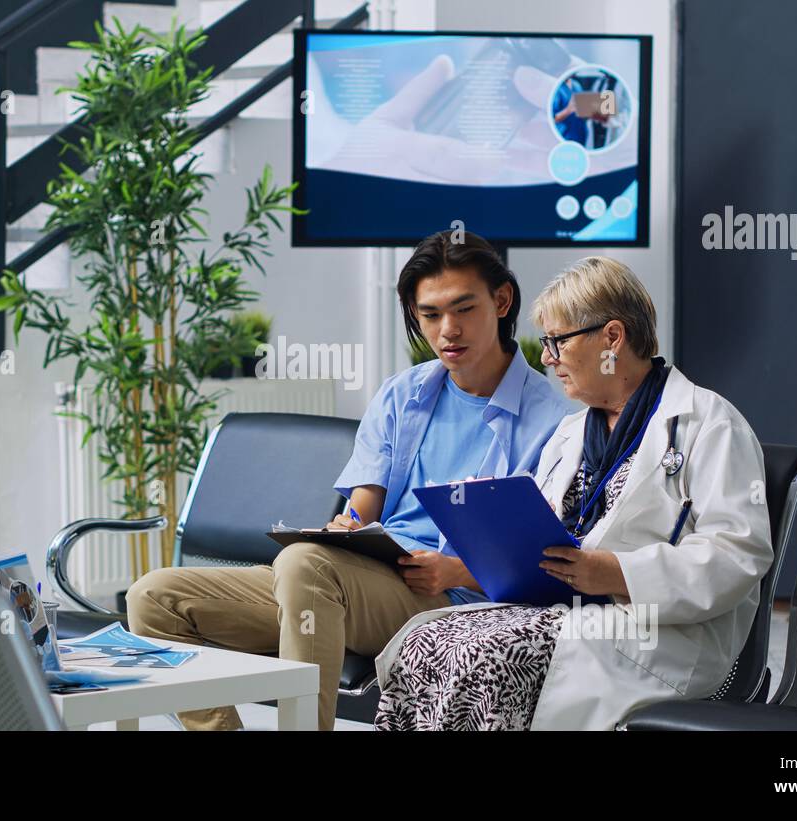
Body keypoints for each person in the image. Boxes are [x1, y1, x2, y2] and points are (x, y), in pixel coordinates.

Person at [127, 230, 572, 730]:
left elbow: (547, 564)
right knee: (154, 598)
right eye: (429, 315)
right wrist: (349, 528)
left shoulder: (553, 420)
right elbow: (364, 508)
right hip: (344, 585)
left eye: (463, 309)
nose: (448, 330)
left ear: (502, 300)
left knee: (304, 566)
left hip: (448, 601)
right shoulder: (403, 394)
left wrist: (456, 571)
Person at [374, 256, 773, 731]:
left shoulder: (708, 422)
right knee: (432, 639)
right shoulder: (570, 434)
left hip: (655, 631)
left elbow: (739, 554)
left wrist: (616, 573)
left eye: (557, 341)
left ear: (612, 338)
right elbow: (544, 538)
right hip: (562, 612)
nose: (546, 357)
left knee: (486, 654)